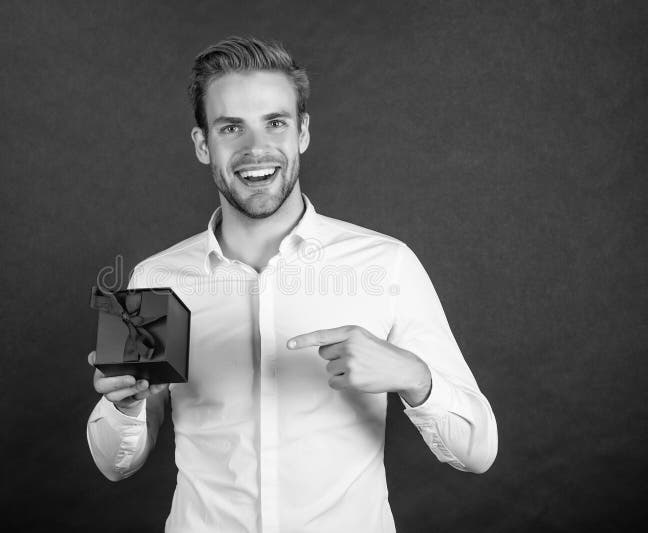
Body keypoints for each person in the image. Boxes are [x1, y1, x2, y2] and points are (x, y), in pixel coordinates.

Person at [86, 36, 498, 533]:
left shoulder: (387, 264)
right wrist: (124, 405)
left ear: (302, 131)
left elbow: (478, 451)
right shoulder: (156, 279)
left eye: (275, 123)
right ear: (202, 144)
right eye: (231, 127)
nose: (255, 149)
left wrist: (415, 377)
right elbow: (114, 465)